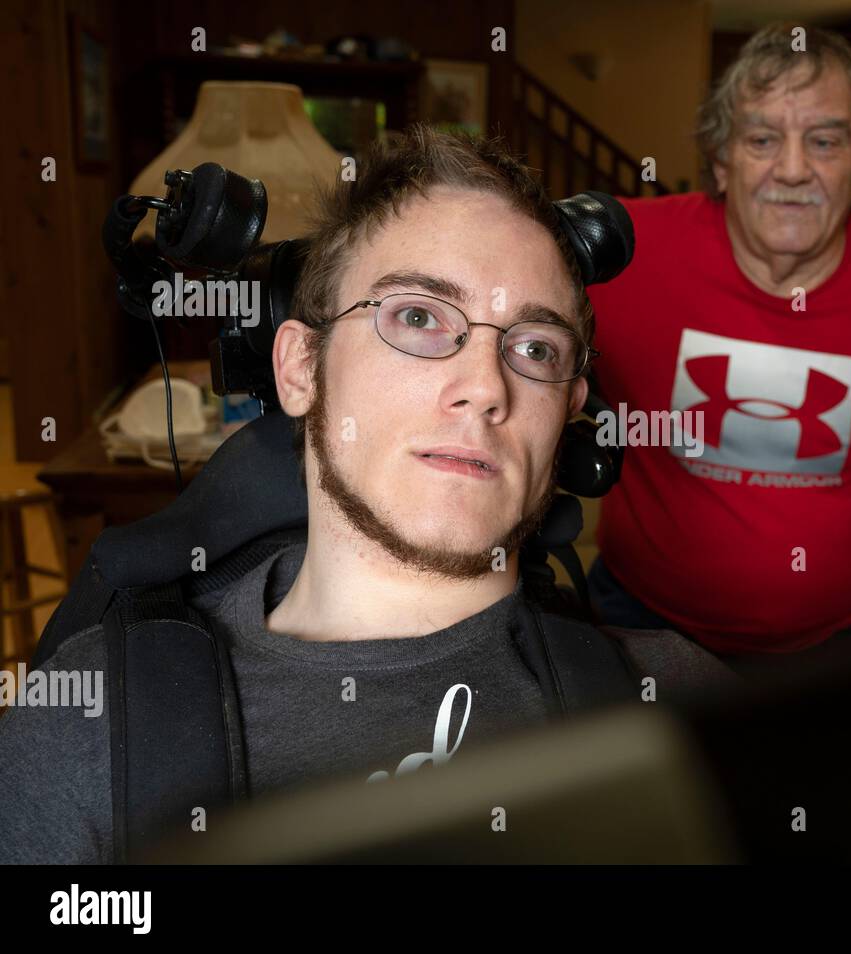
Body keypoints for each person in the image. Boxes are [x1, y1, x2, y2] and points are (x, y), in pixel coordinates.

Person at [0, 128, 735, 864]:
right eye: (417, 317)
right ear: (300, 369)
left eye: (534, 347)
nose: (485, 386)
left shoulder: (676, 701)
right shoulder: (94, 719)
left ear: (571, 404)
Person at [585, 23, 851, 663]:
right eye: (762, 139)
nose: (793, 170)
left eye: (825, 142)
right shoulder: (624, 251)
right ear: (722, 161)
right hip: (641, 620)